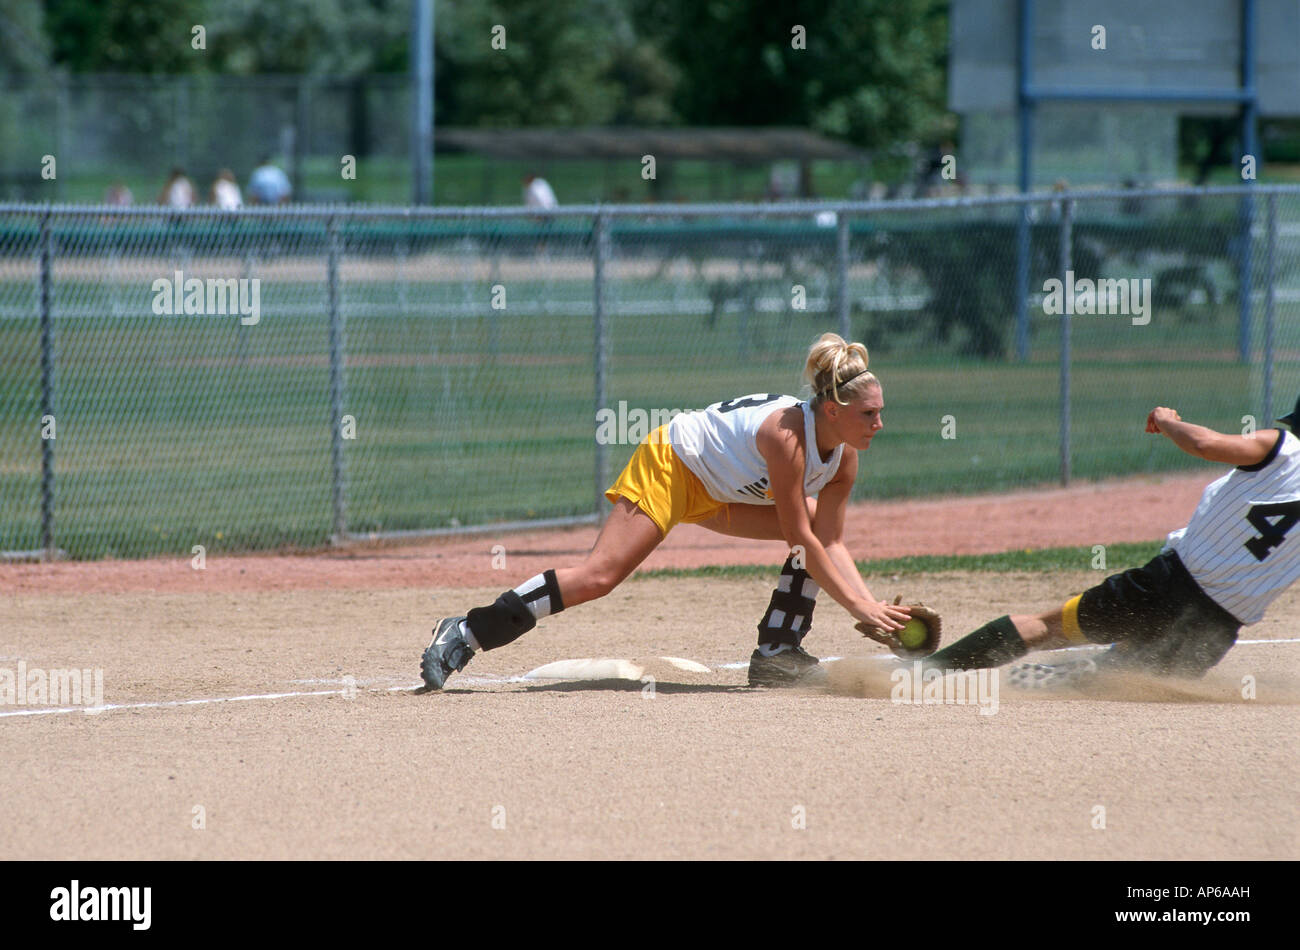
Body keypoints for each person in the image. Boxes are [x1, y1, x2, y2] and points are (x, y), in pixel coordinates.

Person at [421, 332, 913, 691]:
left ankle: (776, 653)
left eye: (880, 411)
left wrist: (875, 612)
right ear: (832, 410)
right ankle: (465, 631)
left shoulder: (844, 456)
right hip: (674, 464)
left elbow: (829, 541)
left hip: (722, 490)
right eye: (868, 413)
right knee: (599, 576)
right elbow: (803, 537)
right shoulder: (787, 439)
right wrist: (858, 606)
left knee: (807, 534)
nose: (879, 423)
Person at [923, 401, 1300, 688]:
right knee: (1126, 680)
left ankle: (923, 675)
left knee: (1044, 629)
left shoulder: (1284, 447)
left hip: (1167, 585)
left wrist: (1167, 420)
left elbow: (1203, 443)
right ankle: (1068, 675)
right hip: (1219, 624)